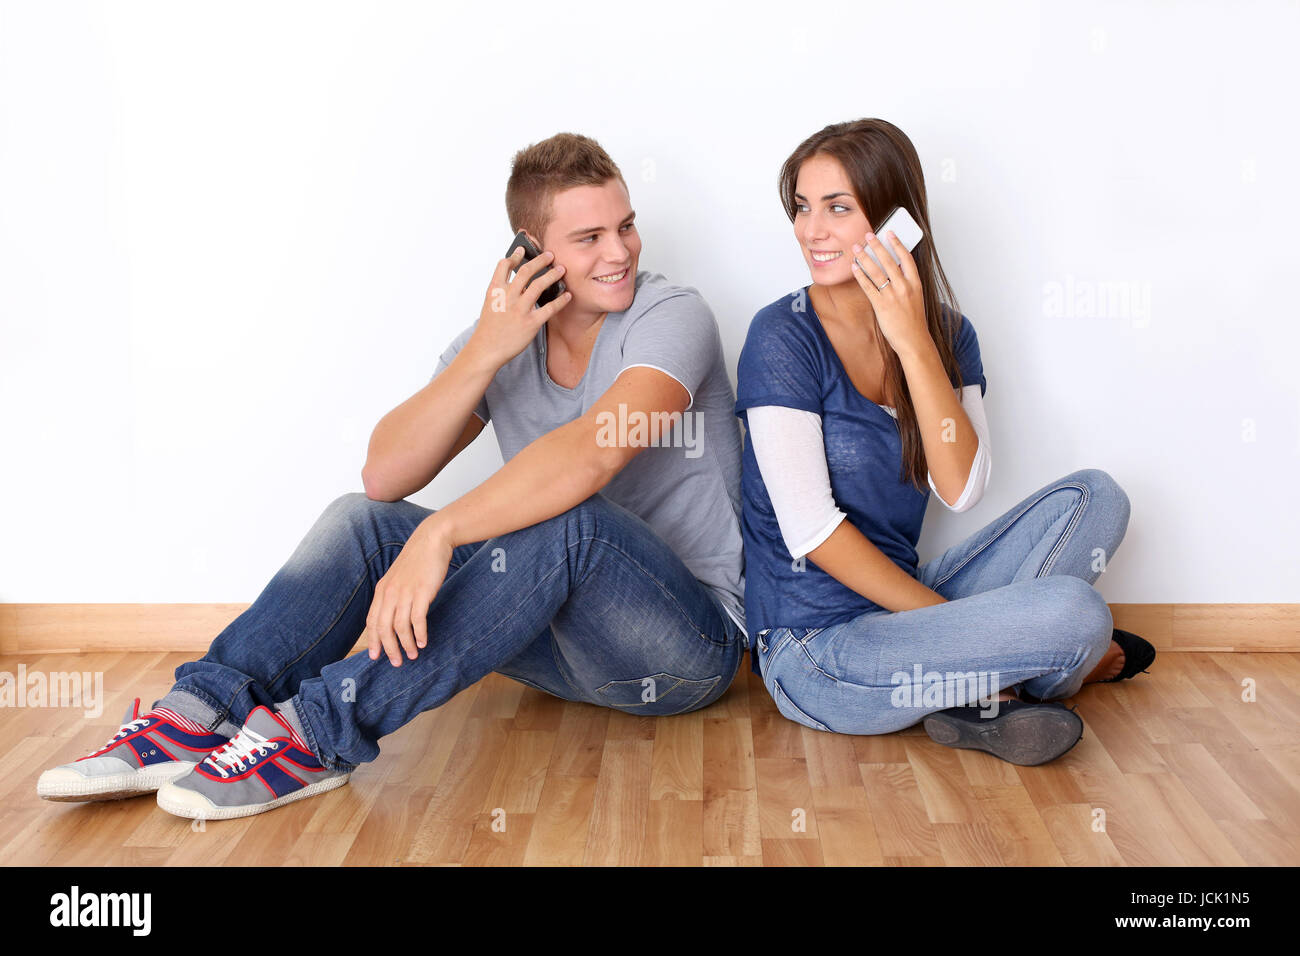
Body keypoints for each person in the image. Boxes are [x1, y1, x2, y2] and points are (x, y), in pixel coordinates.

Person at [38, 132, 749, 817]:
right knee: (360, 520)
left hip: (685, 647)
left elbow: (593, 452)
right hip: (557, 647)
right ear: (529, 253)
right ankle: (196, 716)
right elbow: (384, 474)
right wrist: (484, 354)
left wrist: (440, 534)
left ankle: (313, 737)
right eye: (590, 238)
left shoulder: (671, 315)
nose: (621, 251)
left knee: (573, 521)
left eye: (626, 227)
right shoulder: (501, 341)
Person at [733, 118, 1154, 766]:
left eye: (837, 208)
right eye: (802, 206)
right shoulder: (780, 335)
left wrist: (912, 340)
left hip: (908, 604)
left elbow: (961, 489)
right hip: (817, 647)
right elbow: (811, 532)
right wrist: (956, 629)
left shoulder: (948, 335)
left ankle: (976, 691)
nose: (810, 230)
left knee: (1098, 498)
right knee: (1078, 615)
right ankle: (1014, 677)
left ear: (897, 219)